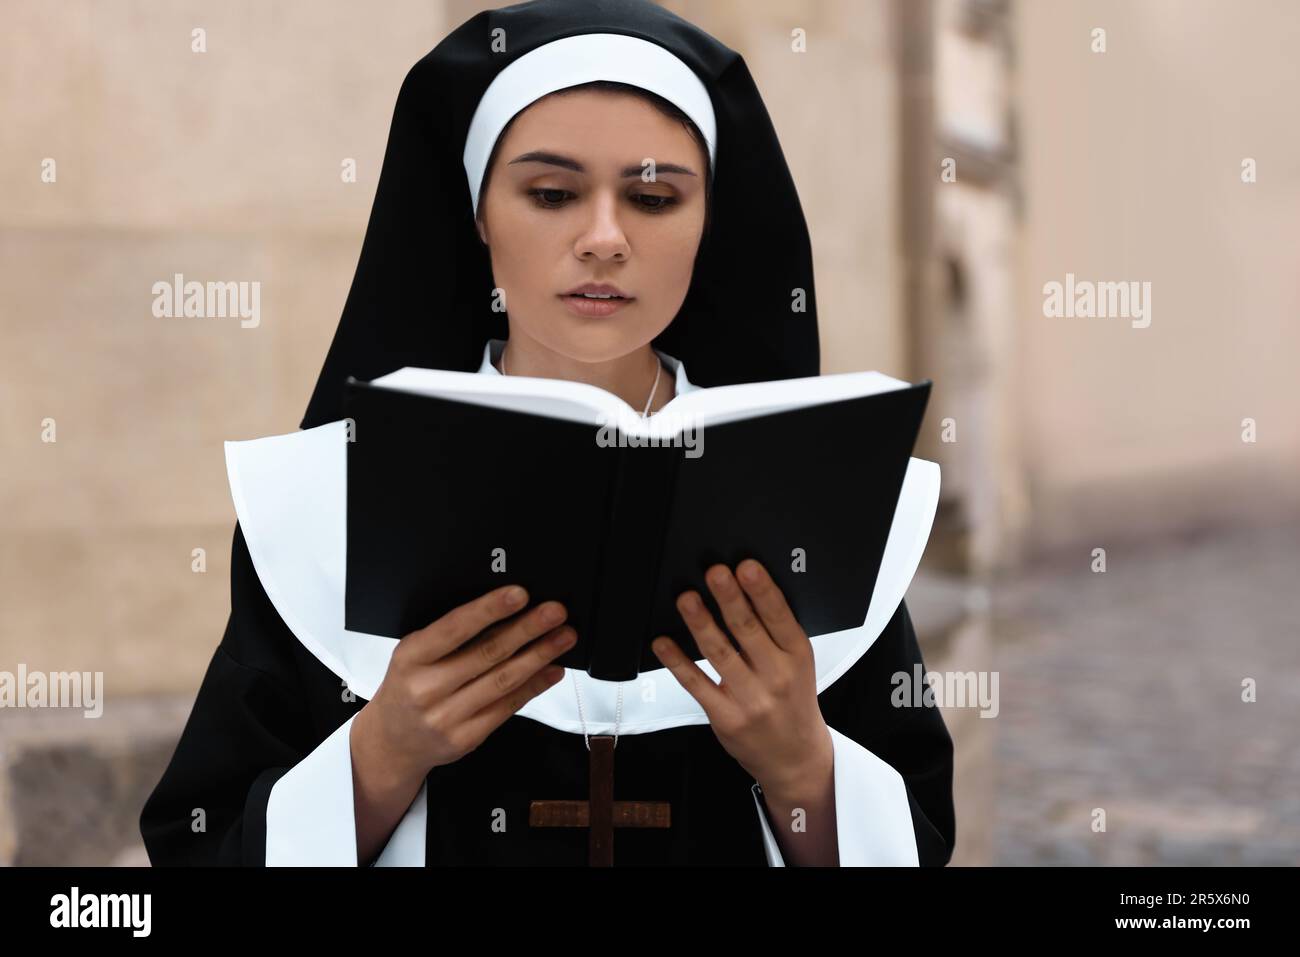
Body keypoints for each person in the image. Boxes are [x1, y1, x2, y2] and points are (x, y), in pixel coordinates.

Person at [140, 0, 955, 867]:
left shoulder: (815, 503)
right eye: (552, 193)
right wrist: (381, 755)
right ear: (480, 213)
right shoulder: (318, 508)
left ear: (707, 221)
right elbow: (201, 845)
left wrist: (805, 770)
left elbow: (921, 837)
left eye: (651, 197)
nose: (603, 239)